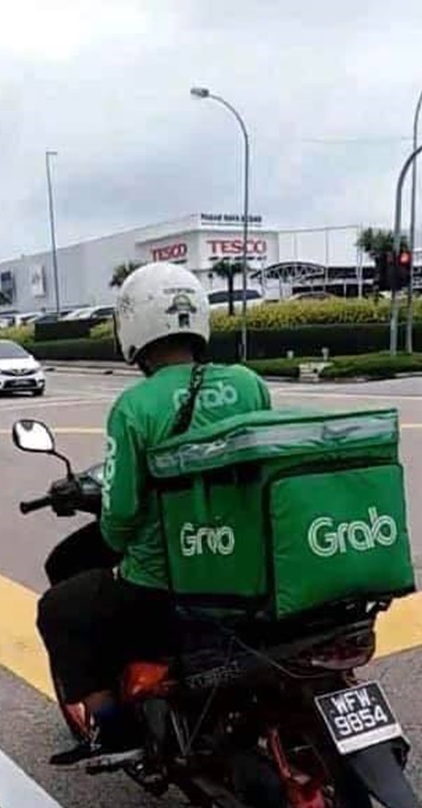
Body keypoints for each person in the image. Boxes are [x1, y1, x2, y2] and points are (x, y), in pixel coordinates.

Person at [36, 262, 271, 760]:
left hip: (166, 584)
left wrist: (117, 536)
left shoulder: (135, 406)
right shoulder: (248, 383)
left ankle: (112, 727)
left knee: (59, 607)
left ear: (133, 328)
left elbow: (121, 517)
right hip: (249, 561)